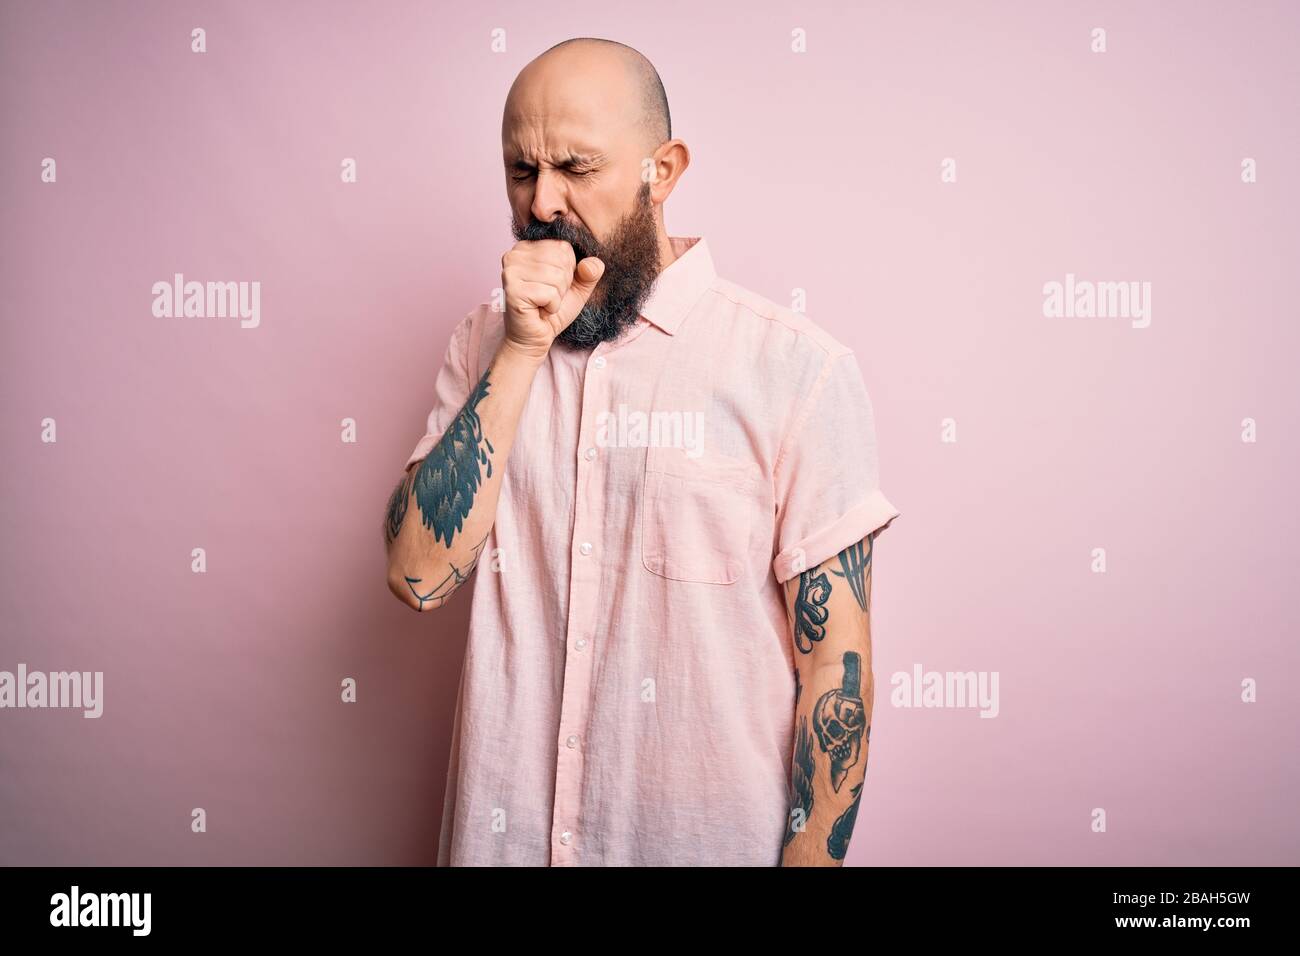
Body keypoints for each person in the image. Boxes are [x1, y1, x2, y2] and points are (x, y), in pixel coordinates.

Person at [383, 36, 900, 866]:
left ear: (662, 171)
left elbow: (836, 667)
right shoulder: (481, 344)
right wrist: (518, 352)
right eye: (521, 170)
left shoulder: (795, 370)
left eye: (576, 168)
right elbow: (417, 577)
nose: (542, 202)